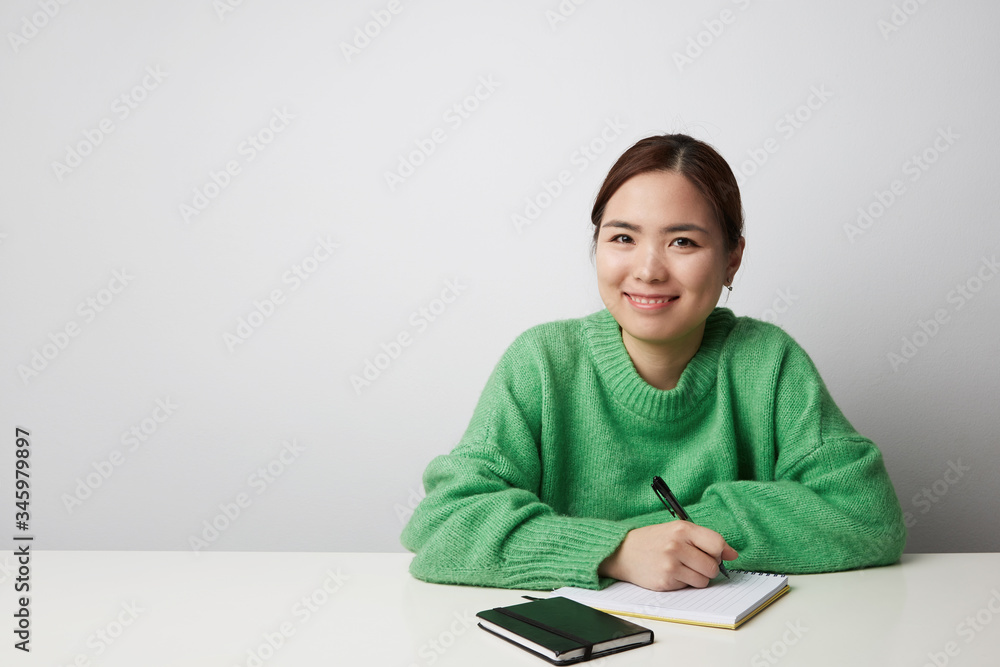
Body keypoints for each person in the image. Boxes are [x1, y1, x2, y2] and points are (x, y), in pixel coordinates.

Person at [400, 134, 906, 592]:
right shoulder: (541, 364)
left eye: (683, 242)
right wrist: (616, 551)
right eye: (623, 238)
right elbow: (443, 526)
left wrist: (678, 539)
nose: (648, 270)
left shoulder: (768, 362)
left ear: (732, 259)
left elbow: (867, 518)